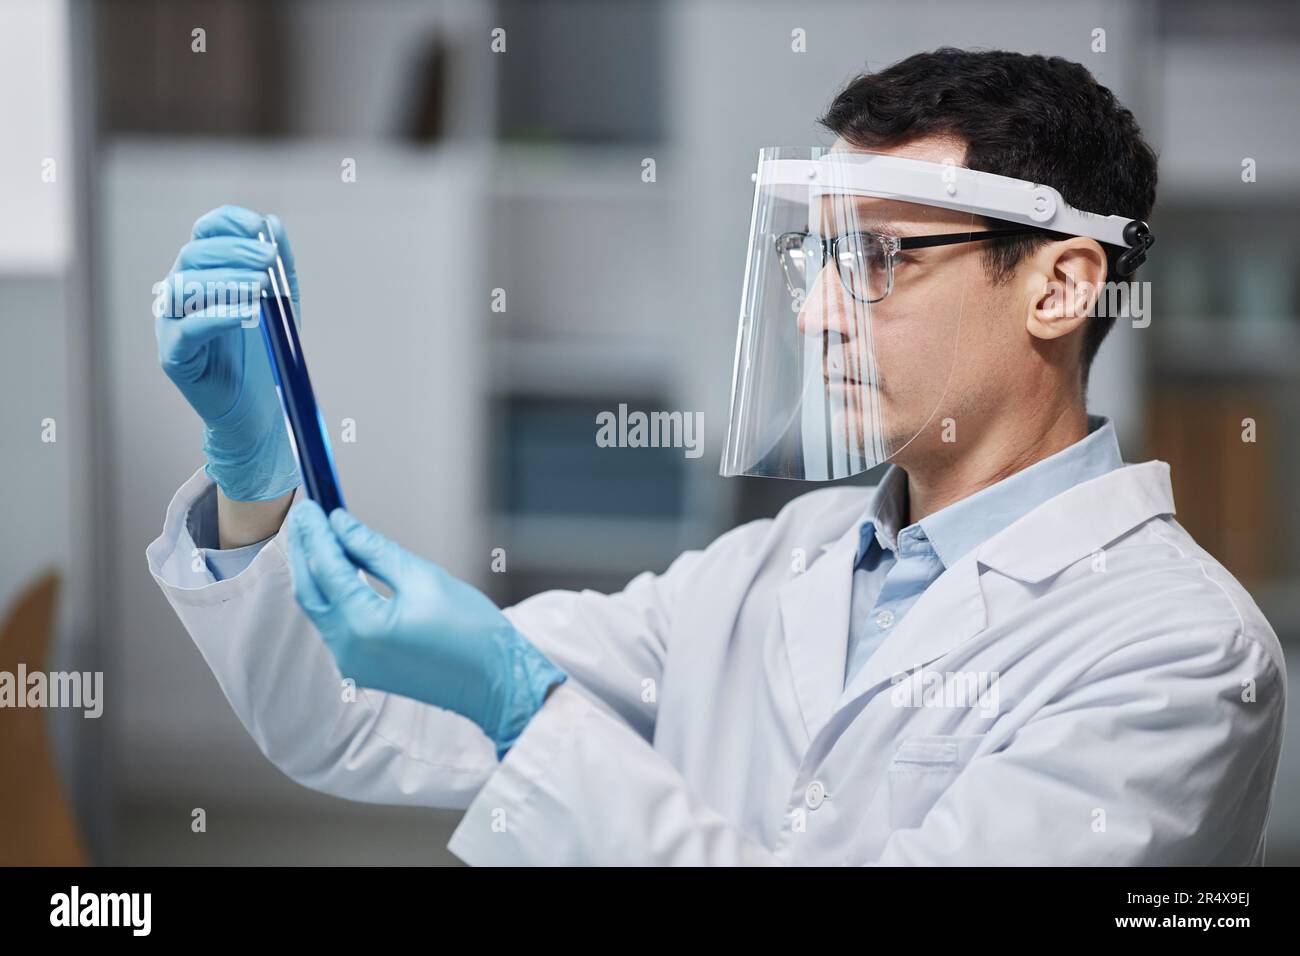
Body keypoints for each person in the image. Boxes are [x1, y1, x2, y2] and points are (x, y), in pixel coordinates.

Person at [148, 49, 1284, 865]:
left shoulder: (1181, 653)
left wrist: (524, 708)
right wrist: (255, 472)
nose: (817, 313)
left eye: (880, 258)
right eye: (813, 259)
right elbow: (346, 718)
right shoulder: (778, 563)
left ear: (1060, 282)